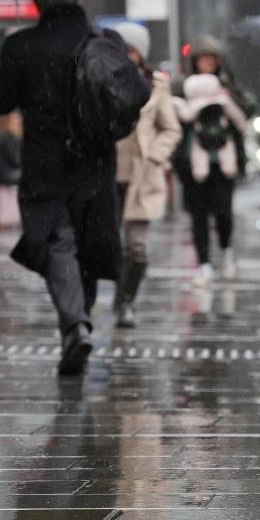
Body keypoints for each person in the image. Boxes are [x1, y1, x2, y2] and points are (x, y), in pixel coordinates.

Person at [0, 0, 123, 375]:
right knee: (86, 245)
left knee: (57, 242)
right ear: (78, 0)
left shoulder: (23, 46)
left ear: (38, 3)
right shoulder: (105, 41)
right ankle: (77, 326)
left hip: (46, 164)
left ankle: (75, 325)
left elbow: (2, 100)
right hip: (97, 164)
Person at [111, 22, 182, 328]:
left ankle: (127, 300)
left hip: (143, 176)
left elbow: (171, 128)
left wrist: (155, 155)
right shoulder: (103, 78)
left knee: (137, 249)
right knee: (109, 246)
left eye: (132, 50)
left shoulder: (157, 86)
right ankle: (117, 294)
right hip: (109, 173)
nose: (127, 57)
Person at [173, 39, 249, 288]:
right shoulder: (182, 87)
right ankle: (204, 262)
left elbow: (246, 112)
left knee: (224, 212)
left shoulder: (227, 85)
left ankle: (226, 251)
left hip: (224, 160)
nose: (207, 62)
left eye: (212, 58)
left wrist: (228, 98)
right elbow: (175, 118)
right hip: (191, 161)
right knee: (198, 214)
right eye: (203, 57)